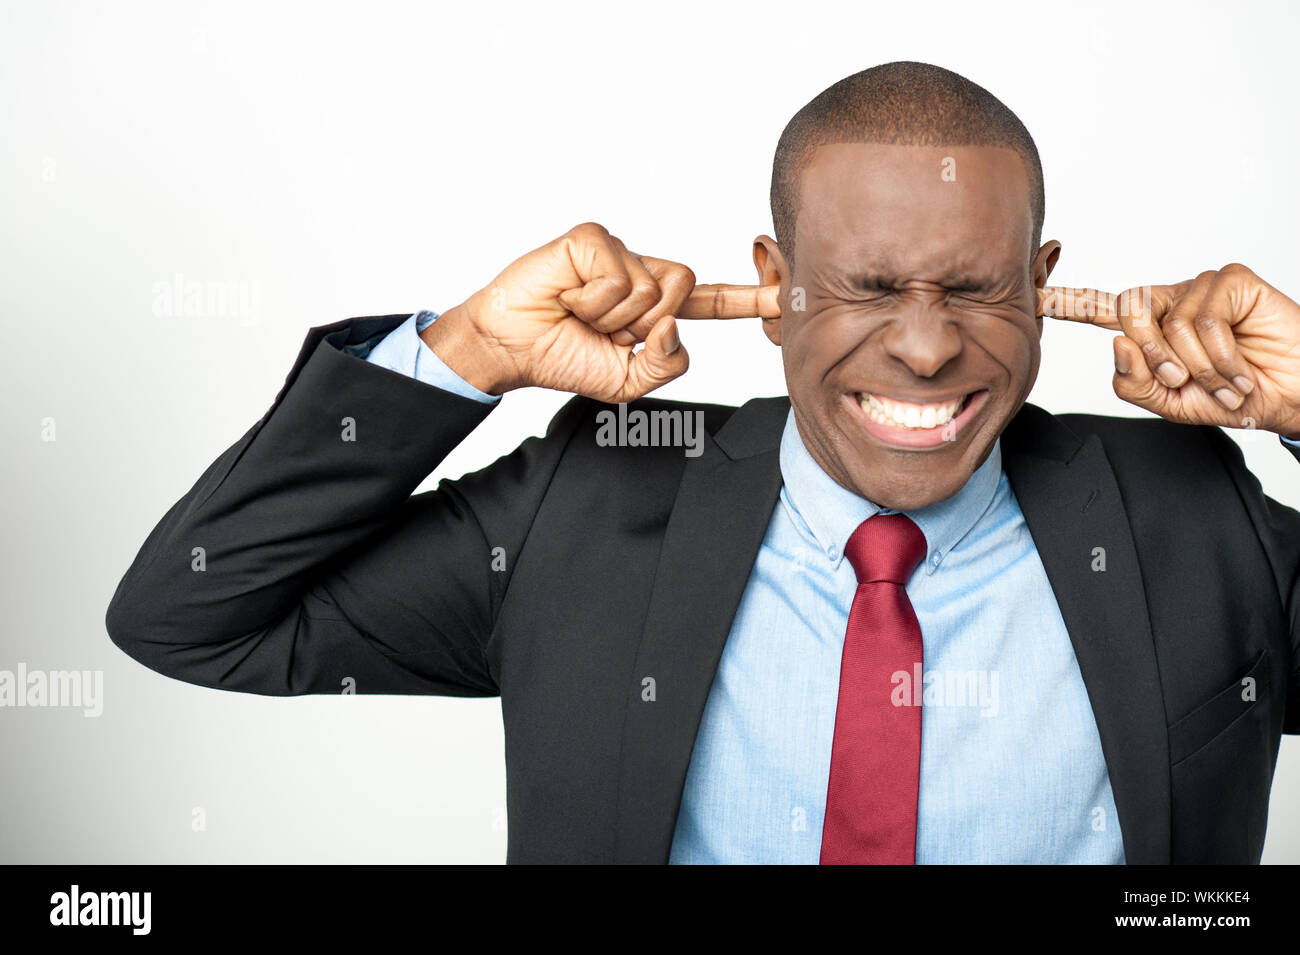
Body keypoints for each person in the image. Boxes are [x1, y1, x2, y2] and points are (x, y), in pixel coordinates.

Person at [105, 61, 1300, 864]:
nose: (928, 348)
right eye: (866, 288)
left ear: (1043, 286)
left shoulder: (1186, 509)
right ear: (772, 283)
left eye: (980, 290)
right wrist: (465, 354)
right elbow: (197, 614)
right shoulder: (600, 491)